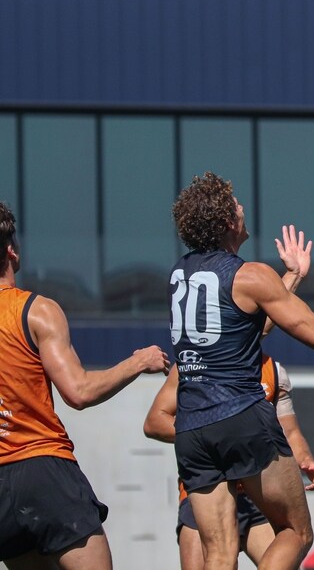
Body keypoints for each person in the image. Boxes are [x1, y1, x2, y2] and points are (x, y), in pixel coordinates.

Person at [170, 175, 314, 570]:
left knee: (219, 552)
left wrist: (292, 277)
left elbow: (244, 328)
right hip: (240, 417)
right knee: (296, 533)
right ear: (227, 221)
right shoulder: (250, 274)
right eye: (237, 204)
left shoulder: (181, 274)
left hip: (191, 427)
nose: (243, 208)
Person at [0, 201, 171, 569]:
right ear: (11, 251)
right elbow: (78, 391)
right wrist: (139, 360)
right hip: (42, 469)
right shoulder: (36, 310)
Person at [144, 353, 314, 570]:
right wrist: (214, 435)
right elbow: (154, 422)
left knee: (290, 549)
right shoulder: (193, 363)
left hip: (255, 495)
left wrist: (305, 459)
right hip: (207, 491)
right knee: (217, 558)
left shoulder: (273, 371)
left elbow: (290, 431)